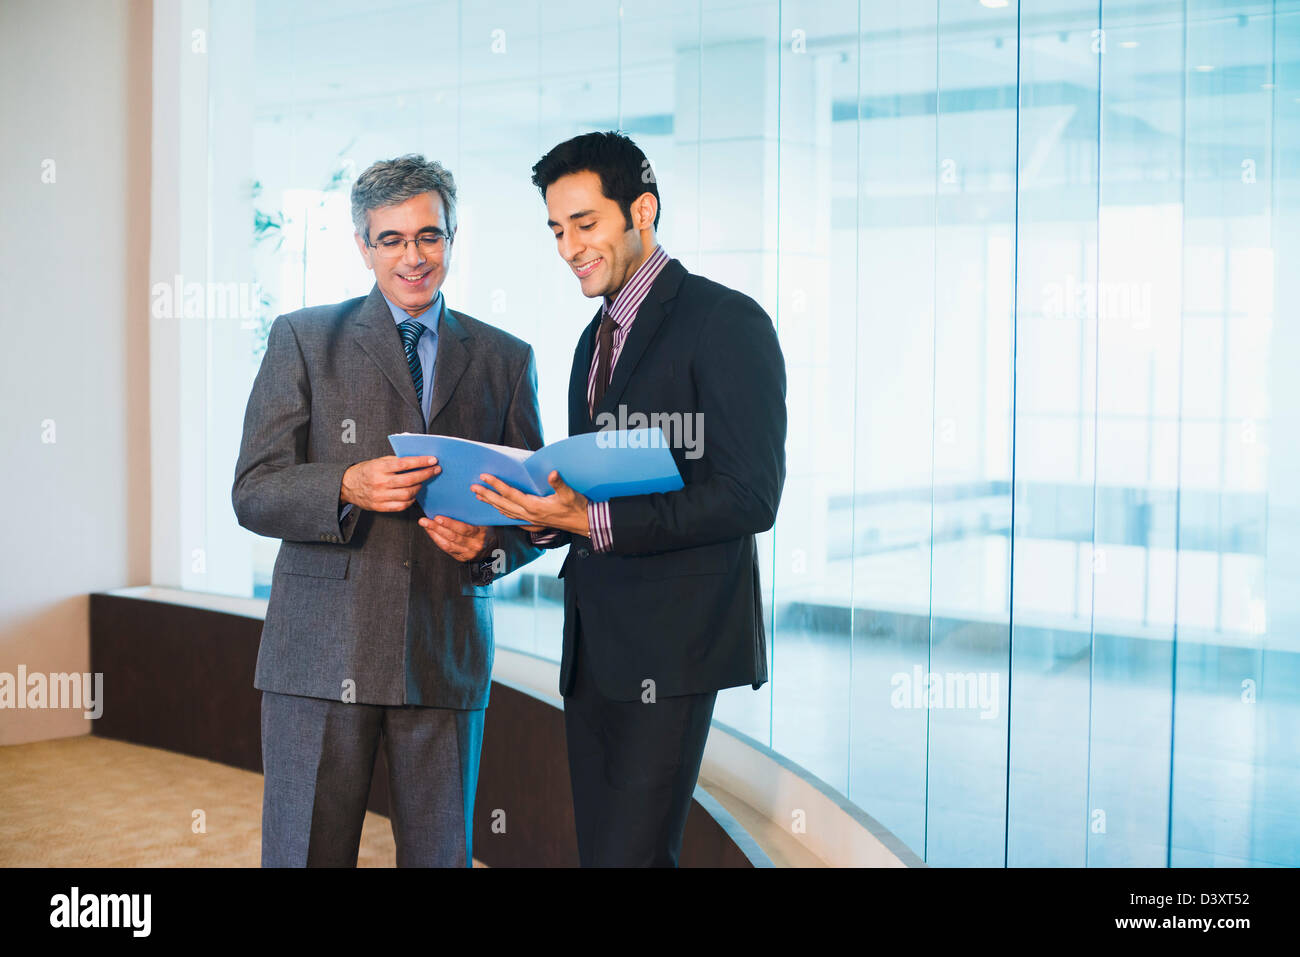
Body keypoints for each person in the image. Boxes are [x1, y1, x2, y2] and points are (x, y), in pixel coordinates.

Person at [473, 131, 787, 866]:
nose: (568, 246)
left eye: (585, 223)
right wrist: (544, 514)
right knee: (606, 855)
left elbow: (750, 496)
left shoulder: (725, 322)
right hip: (595, 644)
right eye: (556, 229)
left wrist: (590, 518)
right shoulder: (595, 338)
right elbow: (598, 489)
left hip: (674, 643)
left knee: (633, 858)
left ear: (641, 210)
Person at [232, 154, 542, 867]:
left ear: (453, 238)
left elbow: (533, 512)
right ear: (362, 245)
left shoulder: (505, 358)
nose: (413, 256)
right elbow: (254, 487)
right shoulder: (304, 339)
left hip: (444, 651)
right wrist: (346, 484)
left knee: (441, 857)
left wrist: (488, 544)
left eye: (429, 236)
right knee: (307, 854)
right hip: (320, 654)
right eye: (392, 239)